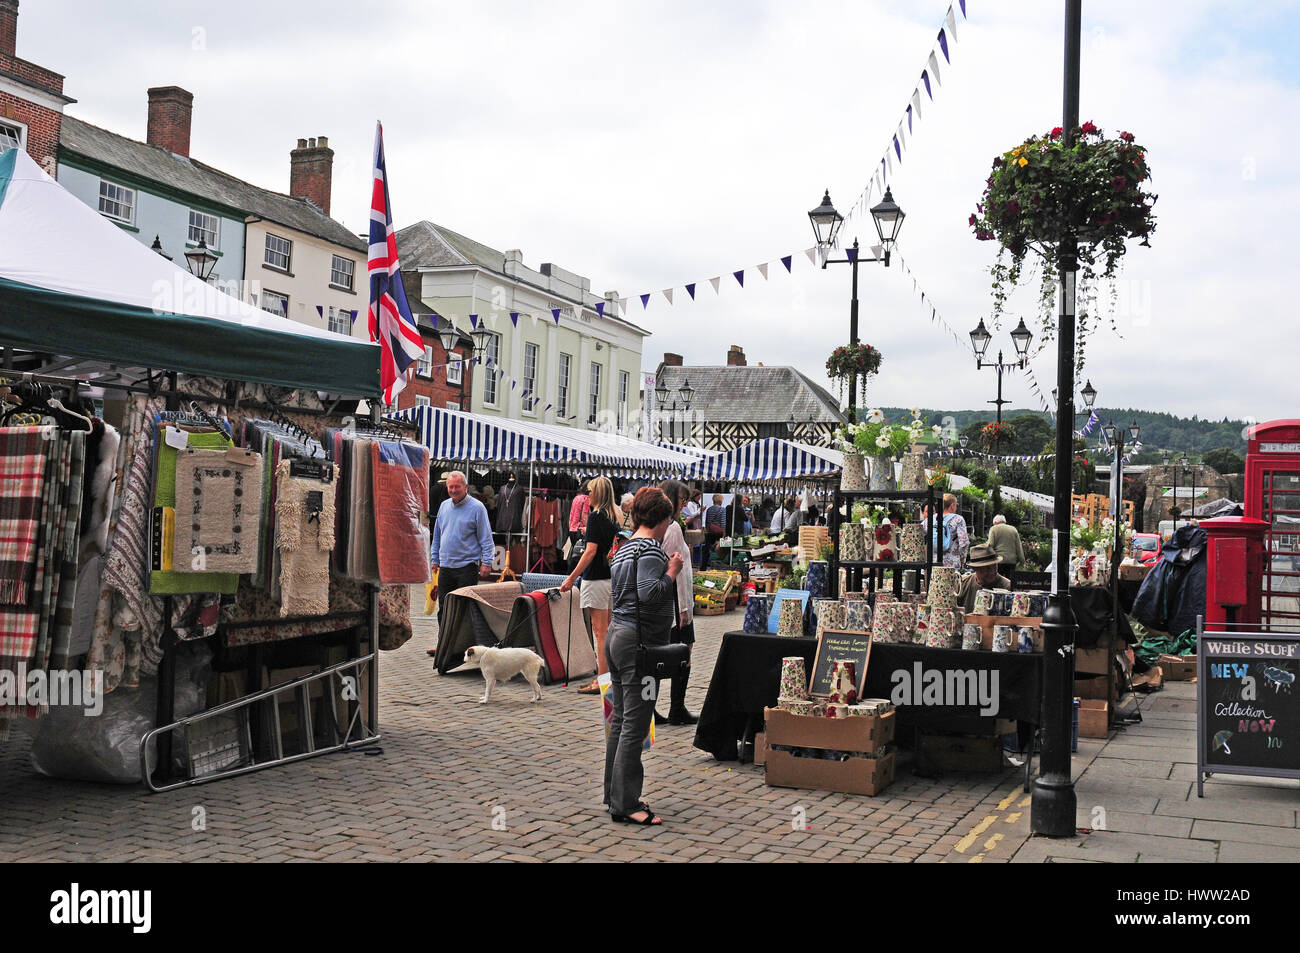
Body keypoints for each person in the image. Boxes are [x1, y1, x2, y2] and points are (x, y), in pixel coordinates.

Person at [603, 487, 684, 826]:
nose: (670, 526)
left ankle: (614, 795)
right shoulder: (651, 550)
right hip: (640, 646)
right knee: (635, 724)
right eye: (669, 520)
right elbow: (649, 594)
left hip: (617, 636)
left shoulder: (623, 549)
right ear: (662, 519)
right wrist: (672, 571)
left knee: (620, 720)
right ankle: (627, 803)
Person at [429, 471, 495, 656]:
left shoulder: (477, 508)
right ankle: (444, 644)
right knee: (444, 608)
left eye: (457, 486)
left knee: (465, 610)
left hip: (467, 566)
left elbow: (486, 538)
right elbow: (438, 536)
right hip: (447, 567)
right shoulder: (443, 506)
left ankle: (464, 648)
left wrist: (487, 562)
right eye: (450, 487)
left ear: (465, 487)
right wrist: (434, 559)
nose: (453, 490)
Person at [564, 478, 619, 695]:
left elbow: (590, 551)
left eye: (589, 492)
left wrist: (571, 578)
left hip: (595, 577)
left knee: (600, 632)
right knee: (608, 630)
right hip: (609, 577)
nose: (587, 496)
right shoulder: (613, 515)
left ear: (597, 493)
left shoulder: (596, 516)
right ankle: (608, 678)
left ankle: (601, 681)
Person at [656, 479, 697, 726]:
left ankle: (675, 707)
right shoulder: (673, 529)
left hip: (678, 601)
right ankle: (676, 708)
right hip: (675, 602)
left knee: (676, 653)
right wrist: (683, 607)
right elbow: (673, 569)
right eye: (683, 499)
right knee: (679, 653)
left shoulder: (671, 526)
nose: (685, 504)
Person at [957, 543, 1011, 613]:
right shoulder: (962, 584)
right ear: (975, 568)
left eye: (994, 566)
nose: (992, 572)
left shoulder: (1008, 587)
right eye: (987, 568)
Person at [986, 513, 1025, 580]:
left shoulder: (994, 529)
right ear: (1005, 522)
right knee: (1010, 582)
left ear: (995, 522)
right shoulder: (1013, 529)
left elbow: (990, 545)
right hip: (1011, 562)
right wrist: (1022, 561)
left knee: (998, 582)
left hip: (998, 561)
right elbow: (1019, 547)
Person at [702, 492, 728, 569]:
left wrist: (708, 530)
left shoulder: (709, 509)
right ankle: (718, 566)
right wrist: (724, 534)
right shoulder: (722, 510)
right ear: (720, 501)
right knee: (721, 549)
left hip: (710, 532)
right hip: (719, 533)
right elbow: (723, 522)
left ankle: (703, 567)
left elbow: (707, 522)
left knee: (707, 551)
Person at [567, 488, 590, 569]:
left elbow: (571, 514)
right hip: (580, 530)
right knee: (581, 556)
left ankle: (571, 575)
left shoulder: (576, 498)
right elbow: (584, 516)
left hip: (572, 529)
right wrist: (589, 528)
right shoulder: (586, 499)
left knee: (575, 554)